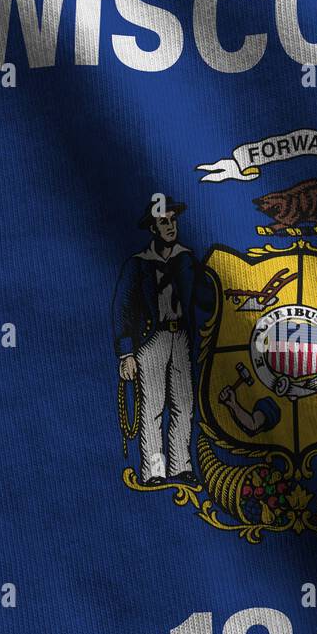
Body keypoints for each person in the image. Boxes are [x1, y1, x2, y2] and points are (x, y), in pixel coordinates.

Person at [112, 197, 200, 486]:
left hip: (182, 337)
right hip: (151, 340)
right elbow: (122, 308)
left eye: (173, 220)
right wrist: (126, 354)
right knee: (152, 407)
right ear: (153, 227)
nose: (170, 226)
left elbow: (202, 298)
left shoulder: (186, 259)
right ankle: (154, 470)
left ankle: (181, 466)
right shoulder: (137, 265)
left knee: (183, 405)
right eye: (164, 221)